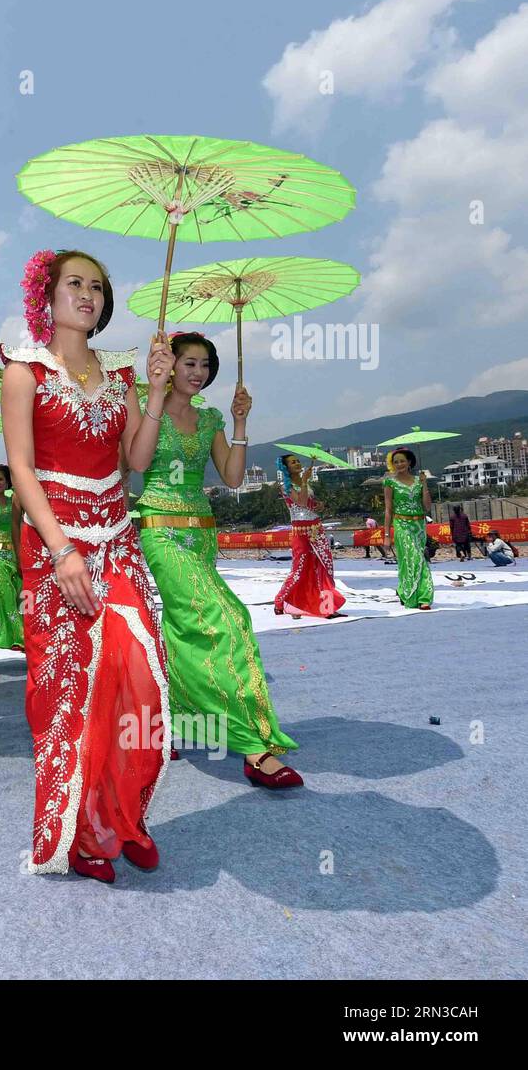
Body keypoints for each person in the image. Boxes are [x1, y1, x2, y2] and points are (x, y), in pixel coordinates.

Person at [1, 248, 172, 881]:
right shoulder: (24, 372)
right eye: (75, 283)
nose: (89, 295)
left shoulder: (122, 373)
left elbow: (137, 460)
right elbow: (21, 467)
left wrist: (154, 395)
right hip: (56, 546)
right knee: (68, 689)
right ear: (45, 295)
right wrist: (62, 551)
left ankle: (122, 816)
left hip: (118, 536)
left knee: (139, 673)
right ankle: (76, 837)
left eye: (98, 287)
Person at [135, 331, 303, 790]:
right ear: (168, 364)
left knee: (182, 627)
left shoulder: (209, 417)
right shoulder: (143, 402)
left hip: (203, 532)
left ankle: (173, 720)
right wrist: (152, 395)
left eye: (205, 365)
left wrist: (240, 422)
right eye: (188, 362)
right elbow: (137, 459)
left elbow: (231, 477)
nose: (198, 372)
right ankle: (252, 747)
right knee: (226, 619)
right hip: (161, 529)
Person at [274, 455, 345, 619]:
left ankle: (327, 608)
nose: (297, 463)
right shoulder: (286, 486)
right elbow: (301, 503)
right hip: (301, 532)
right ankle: (281, 601)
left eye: (298, 460)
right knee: (299, 569)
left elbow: (310, 505)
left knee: (325, 567)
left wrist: (319, 505)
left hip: (316, 529)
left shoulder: (304, 483)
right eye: (293, 462)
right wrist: (305, 481)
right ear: (286, 468)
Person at [383, 448, 435, 609]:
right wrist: (386, 534)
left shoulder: (419, 481)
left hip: (419, 525)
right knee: (412, 558)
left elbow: (427, 507)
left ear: (410, 462)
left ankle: (409, 592)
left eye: (402, 461)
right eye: (396, 462)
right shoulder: (390, 482)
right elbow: (388, 509)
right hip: (402, 524)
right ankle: (420, 597)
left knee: (417, 557)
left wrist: (425, 484)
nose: (399, 464)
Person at [0, 465, 25, 651]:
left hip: (14, 554)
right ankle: (19, 638)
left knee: (16, 596)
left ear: (7, 481)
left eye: (0, 479)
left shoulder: (14, 501)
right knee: (4, 596)